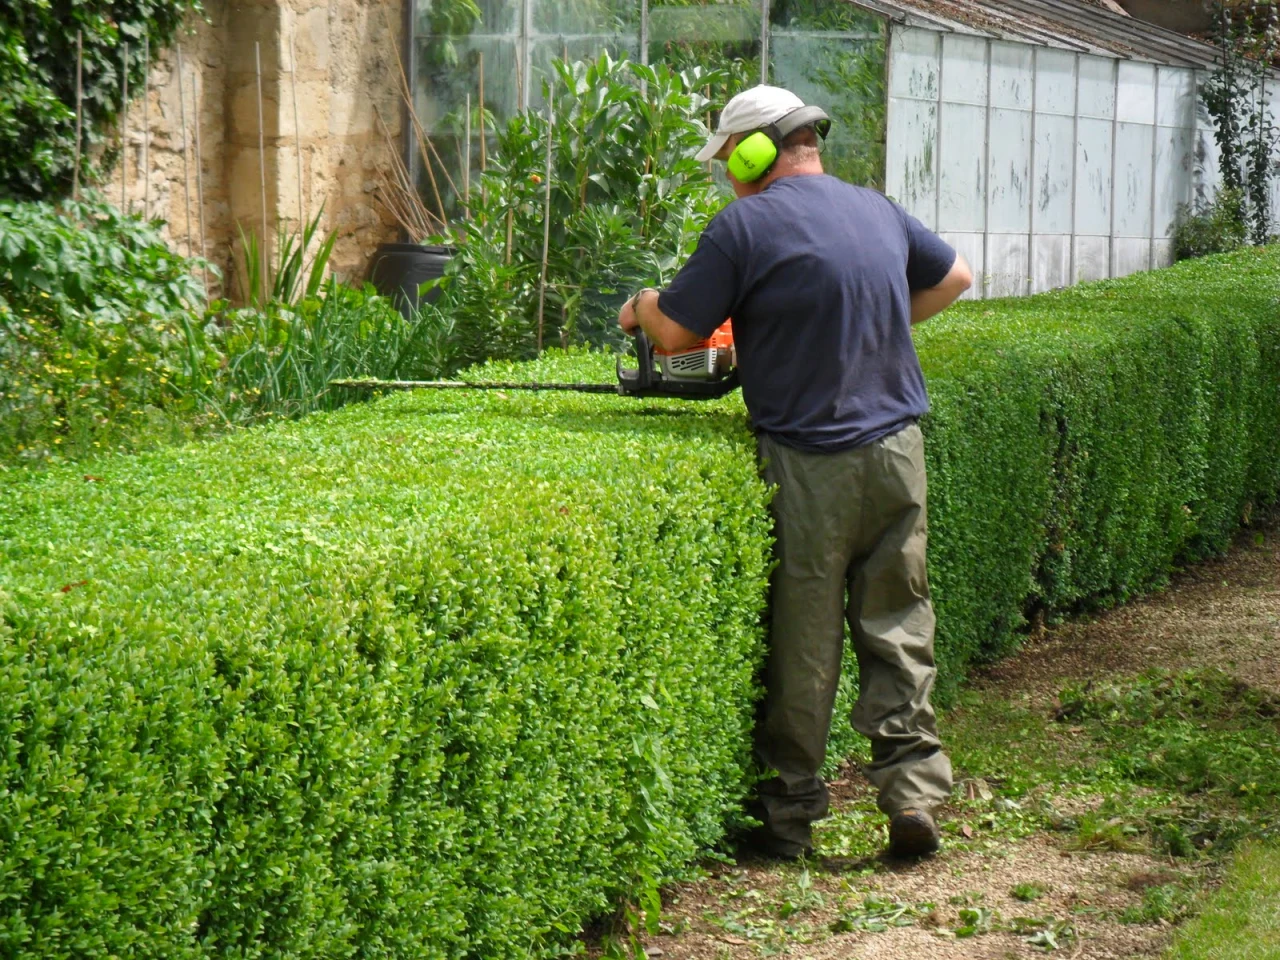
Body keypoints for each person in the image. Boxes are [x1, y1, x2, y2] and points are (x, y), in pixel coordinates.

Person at [617, 84, 973, 860]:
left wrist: (640, 304)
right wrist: (864, 321)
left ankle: (787, 821)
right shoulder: (875, 209)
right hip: (898, 452)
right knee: (899, 623)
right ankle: (912, 795)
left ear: (752, 152)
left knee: (807, 644)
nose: (726, 177)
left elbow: (676, 333)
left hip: (812, 462)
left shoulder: (746, 225)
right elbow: (954, 280)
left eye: (729, 160)